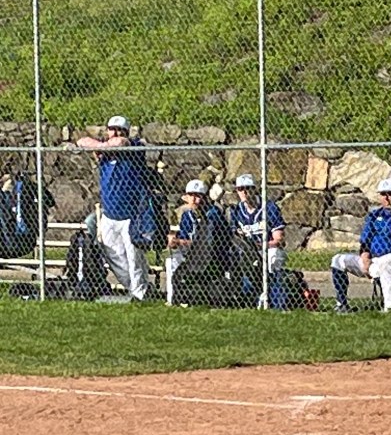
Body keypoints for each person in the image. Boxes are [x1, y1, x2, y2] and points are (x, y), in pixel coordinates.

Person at [74, 115, 150, 300]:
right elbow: (81, 141)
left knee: (134, 257)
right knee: (111, 253)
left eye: (119, 130)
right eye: (111, 129)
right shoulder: (105, 153)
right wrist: (101, 147)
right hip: (109, 214)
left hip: (131, 215)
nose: (115, 133)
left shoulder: (135, 147)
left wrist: (100, 147)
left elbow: (120, 143)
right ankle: (132, 287)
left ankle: (140, 294)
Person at [330, 177, 391, 313]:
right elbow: (365, 240)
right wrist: (365, 257)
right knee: (337, 260)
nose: (387, 198)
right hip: (372, 259)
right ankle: (341, 303)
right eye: (383, 194)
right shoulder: (374, 215)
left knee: (381, 266)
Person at [165, 178, 240, 307]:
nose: (194, 200)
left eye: (198, 196)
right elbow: (185, 238)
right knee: (171, 260)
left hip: (214, 258)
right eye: (191, 195)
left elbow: (206, 245)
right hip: (193, 254)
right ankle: (174, 300)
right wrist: (174, 242)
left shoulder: (213, 215)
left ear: (205, 198)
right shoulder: (187, 215)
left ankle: (182, 299)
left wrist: (180, 242)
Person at [229, 173, 288, 310]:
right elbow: (235, 238)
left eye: (248, 188)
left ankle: (277, 302)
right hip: (247, 253)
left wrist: (259, 246)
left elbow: (279, 240)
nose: (244, 192)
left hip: (267, 249)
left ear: (254, 189)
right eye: (240, 189)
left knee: (273, 257)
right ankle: (247, 299)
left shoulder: (269, 207)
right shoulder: (236, 211)